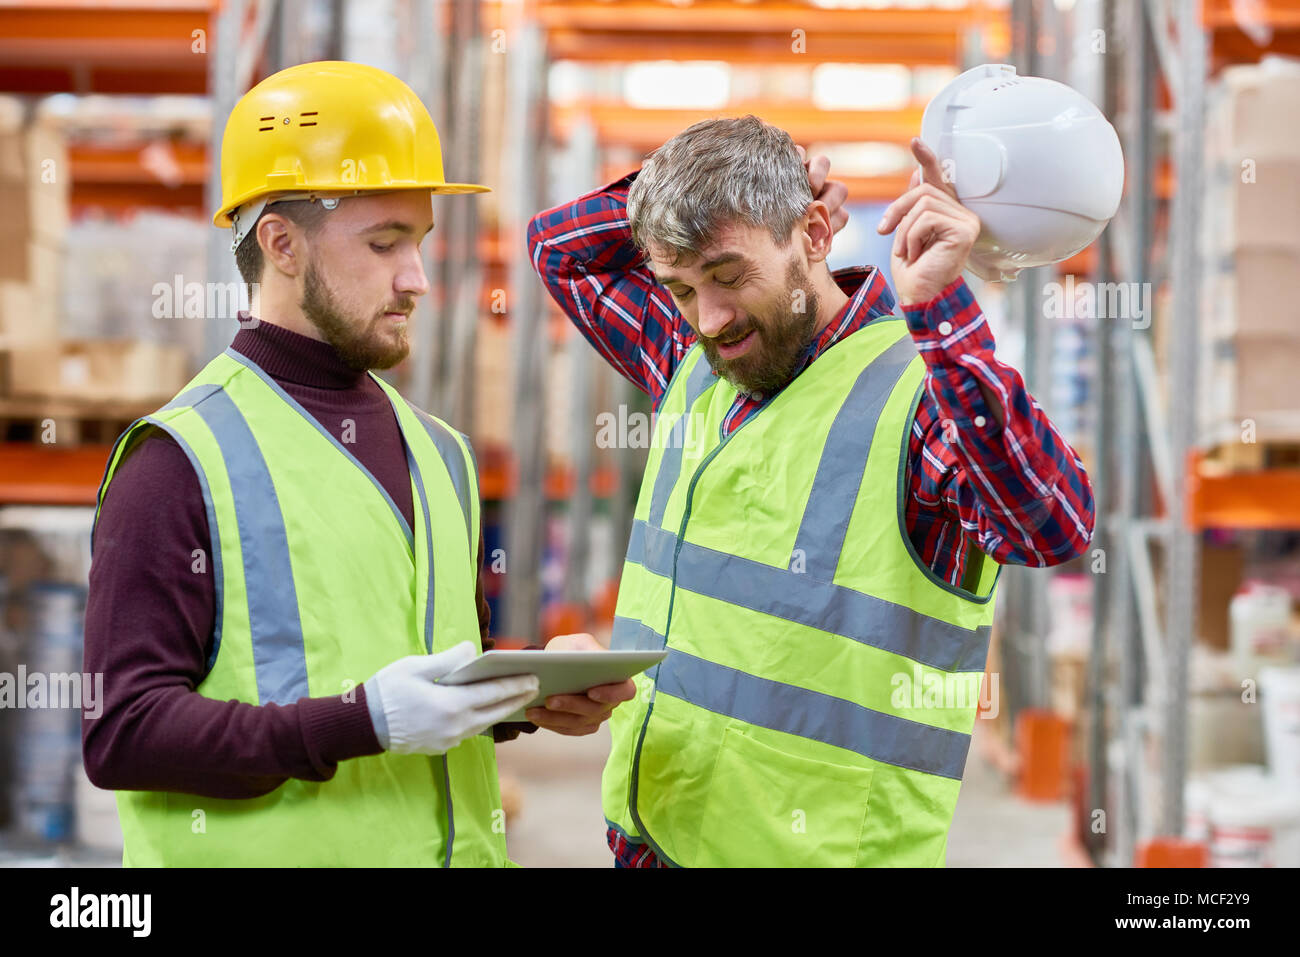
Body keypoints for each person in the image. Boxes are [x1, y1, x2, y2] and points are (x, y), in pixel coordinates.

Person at [82, 60, 632, 868]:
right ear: (282, 243)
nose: (416, 279)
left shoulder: (439, 453)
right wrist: (360, 720)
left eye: (420, 243)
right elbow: (123, 732)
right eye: (385, 243)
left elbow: (418, 685)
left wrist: (530, 694)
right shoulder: (179, 461)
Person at [527, 115, 1095, 867]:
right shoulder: (693, 361)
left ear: (817, 231)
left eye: (730, 276)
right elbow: (559, 250)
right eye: (681, 288)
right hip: (651, 841)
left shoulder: (918, 398)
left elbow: (1052, 525)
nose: (710, 317)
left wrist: (942, 314)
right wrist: (707, 180)